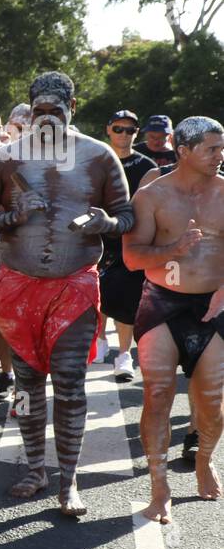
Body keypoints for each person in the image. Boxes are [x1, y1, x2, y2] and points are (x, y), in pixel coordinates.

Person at [0, 71, 135, 515]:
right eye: (38, 111)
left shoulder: (99, 157)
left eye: (54, 111)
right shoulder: (6, 159)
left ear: (72, 109)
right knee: (26, 386)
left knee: (70, 384)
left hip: (74, 285)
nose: (46, 119)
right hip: (19, 287)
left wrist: (105, 223)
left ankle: (70, 481)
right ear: (29, 111)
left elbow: (127, 216)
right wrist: (10, 218)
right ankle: (35, 468)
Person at [123, 117, 224, 523]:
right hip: (162, 305)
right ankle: (159, 485)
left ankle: (204, 459)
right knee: (158, 393)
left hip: (213, 306)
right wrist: (174, 248)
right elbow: (131, 258)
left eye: (222, 148)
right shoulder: (150, 196)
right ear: (183, 152)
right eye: (212, 149)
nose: (220, 156)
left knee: (213, 405)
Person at [98, 110, 158, 382]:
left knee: (125, 299)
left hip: (130, 238)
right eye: (119, 128)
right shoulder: (96, 158)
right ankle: (98, 340)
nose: (124, 134)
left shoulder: (146, 165)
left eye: (130, 130)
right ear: (108, 129)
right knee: (95, 295)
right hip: (96, 236)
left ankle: (123, 354)